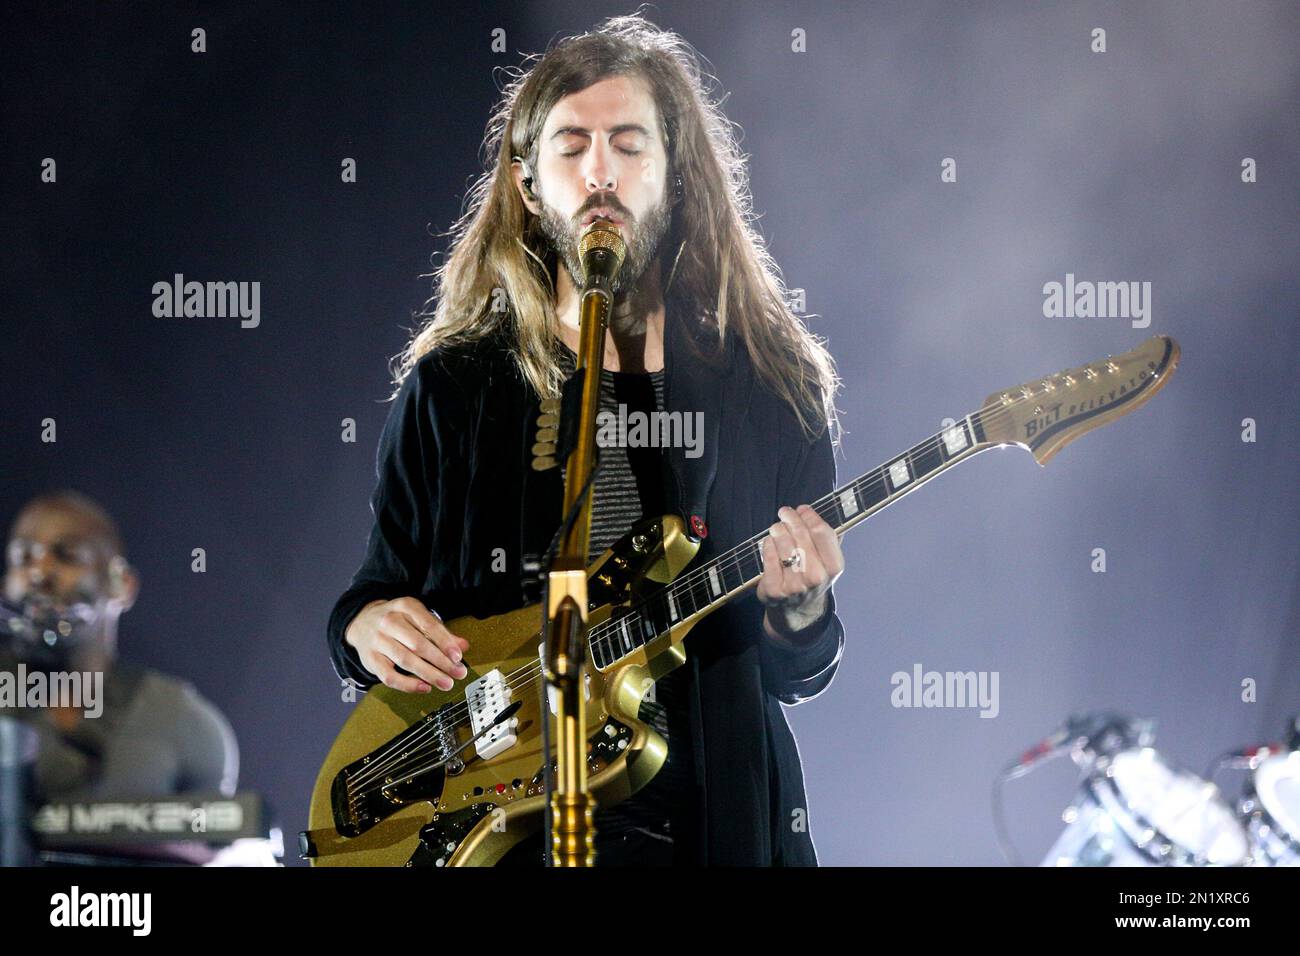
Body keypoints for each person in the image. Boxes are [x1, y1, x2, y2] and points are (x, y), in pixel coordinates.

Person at [327, 14, 847, 865]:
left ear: (676, 178)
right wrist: (369, 626)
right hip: (501, 828)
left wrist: (803, 608)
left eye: (629, 144)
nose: (600, 171)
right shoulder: (454, 391)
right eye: (572, 146)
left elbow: (797, 671)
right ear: (530, 187)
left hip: (708, 827)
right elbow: (375, 591)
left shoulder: (767, 391)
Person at [2, 490, 238, 801]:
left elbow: (219, 843)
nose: (39, 572)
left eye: (68, 555)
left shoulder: (183, 723)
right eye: (23, 557)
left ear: (122, 585)